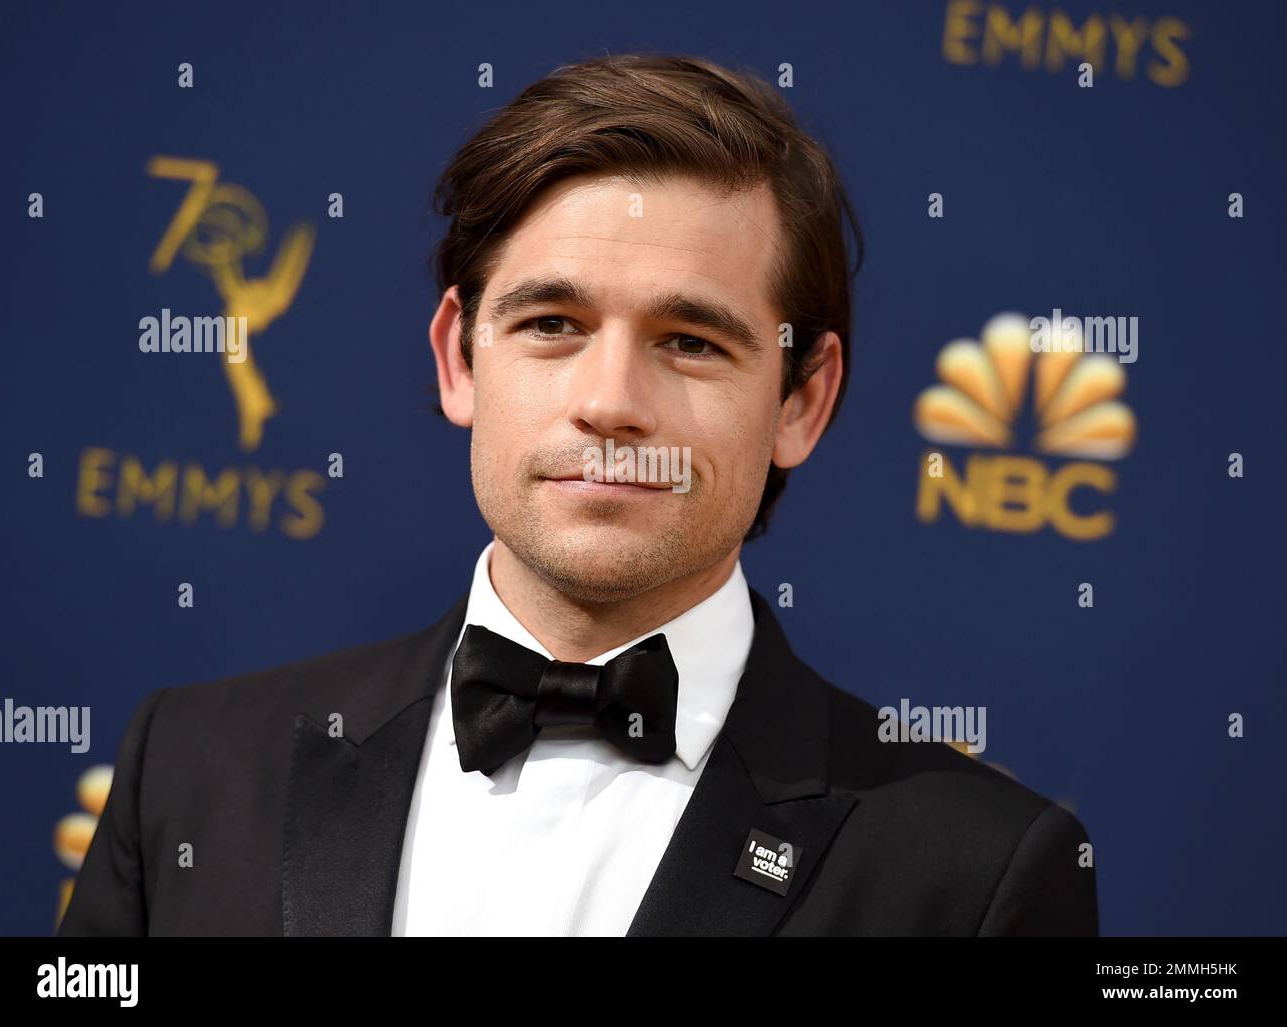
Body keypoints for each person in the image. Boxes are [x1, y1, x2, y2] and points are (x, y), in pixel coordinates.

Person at [58, 53, 1097, 937]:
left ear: (801, 399)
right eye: (552, 324)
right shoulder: (192, 769)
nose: (609, 403)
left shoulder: (976, 871)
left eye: (689, 342)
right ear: (458, 361)